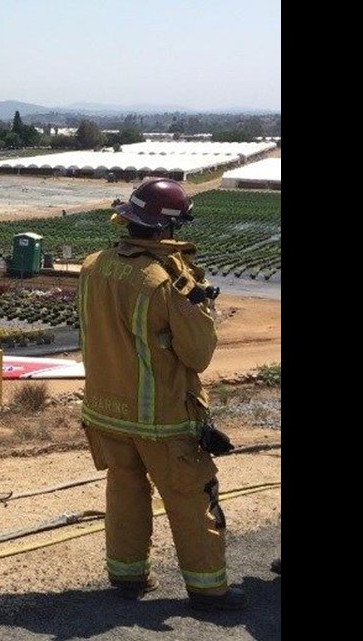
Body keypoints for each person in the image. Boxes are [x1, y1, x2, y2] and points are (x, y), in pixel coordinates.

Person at [76, 177, 244, 611]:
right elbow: (199, 354)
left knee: (125, 491)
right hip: (161, 418)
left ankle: (127, 578)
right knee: (190, 497)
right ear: (166, 228)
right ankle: (209, 590)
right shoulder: (169, 281)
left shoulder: (94, 265)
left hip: (105, 411)